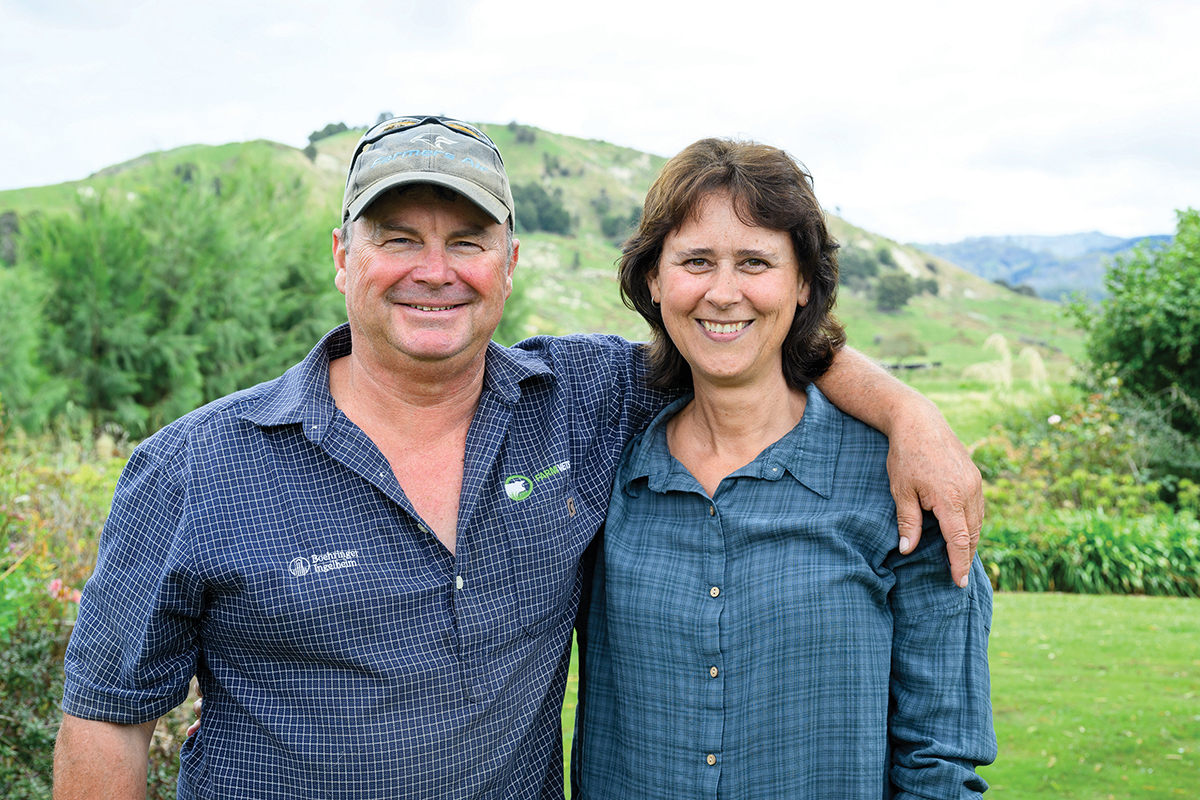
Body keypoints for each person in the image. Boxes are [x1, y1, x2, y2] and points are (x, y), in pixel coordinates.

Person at [54, 116, 982, 800]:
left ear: (509, 260)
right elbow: (106, 719)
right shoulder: (198, 468)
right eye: (398, 240)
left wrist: (908, 413)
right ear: (343, 255)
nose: (435, 270)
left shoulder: (578, 402)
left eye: (467, 242)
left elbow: (740, 338)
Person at [572, 138, 996, 799]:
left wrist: (909, 413)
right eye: (695, 261)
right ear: (653, 279)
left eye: (755, 262)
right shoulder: (602, 460)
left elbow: (940, 761)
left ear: (802, 283)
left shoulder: (899, 483)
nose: (723, 292)